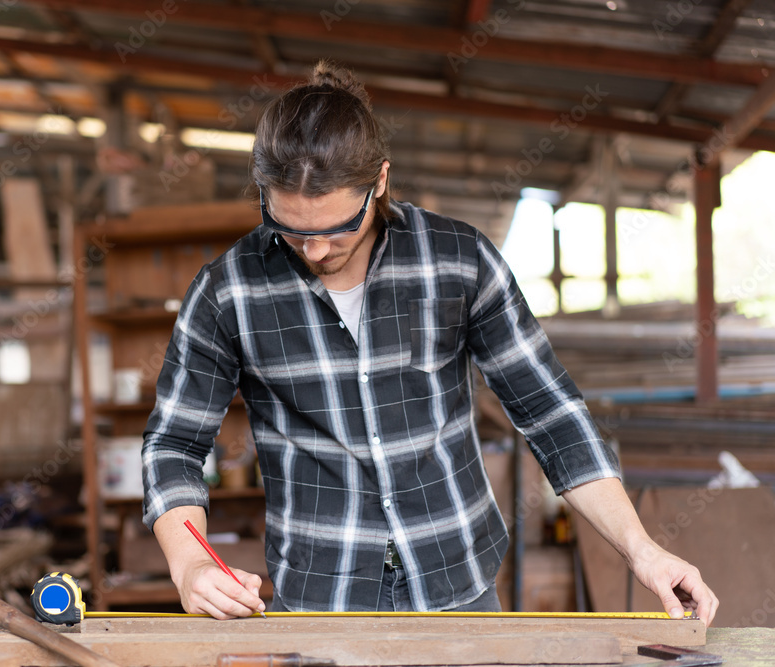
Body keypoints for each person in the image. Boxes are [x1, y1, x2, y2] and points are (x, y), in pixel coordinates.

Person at [141, 61, 718, 624]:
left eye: (337, 227)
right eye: (291, 229)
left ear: (380, 182)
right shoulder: (228, 290)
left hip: (458, 587)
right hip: (320, 600)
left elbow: (550, 413)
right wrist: (190, 563)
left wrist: (643, 549)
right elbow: (173, 444)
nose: (313, 250)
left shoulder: (459, 262)